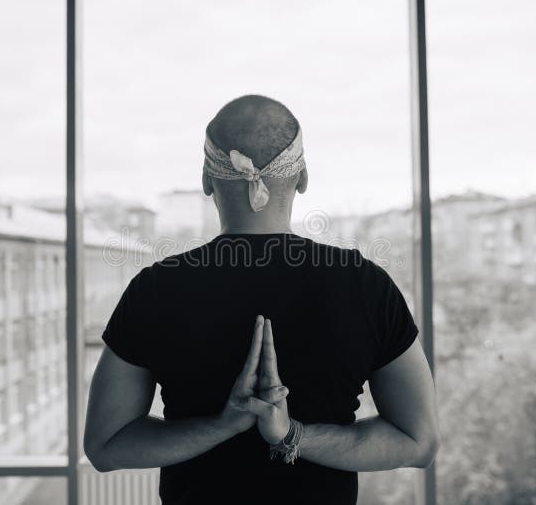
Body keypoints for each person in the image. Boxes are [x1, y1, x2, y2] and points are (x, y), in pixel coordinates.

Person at [83, 95, 440, 505]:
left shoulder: (156, 289)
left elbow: (105, 445)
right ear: (303, 177)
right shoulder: (365, 285)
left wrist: (223, 426)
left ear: (206, 180)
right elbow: (418, 441)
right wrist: (291, 435)